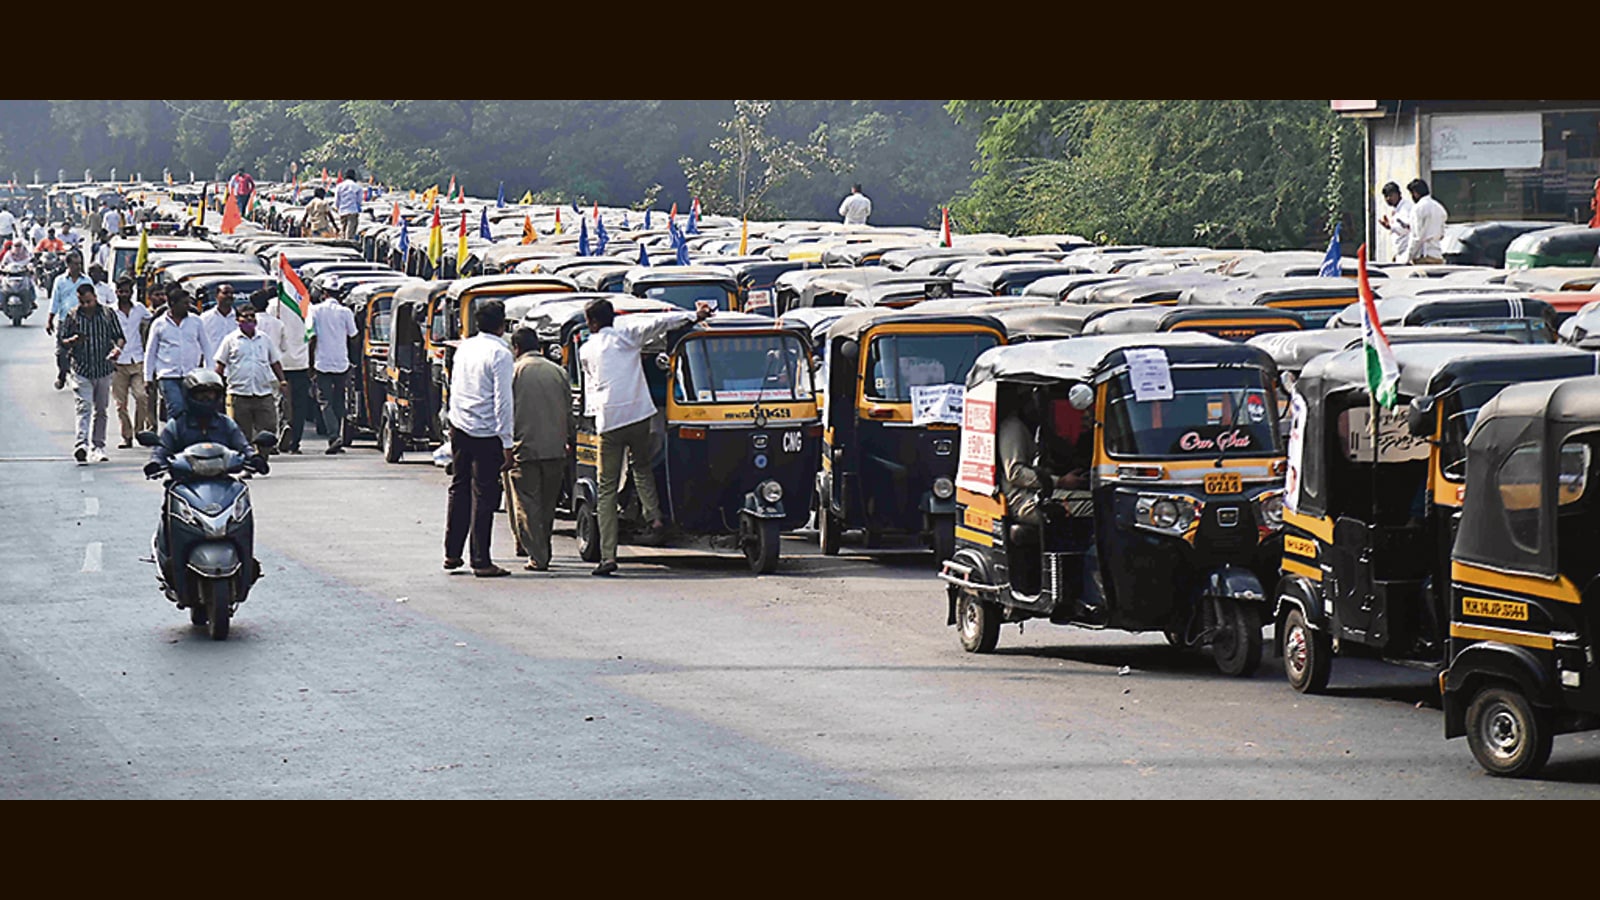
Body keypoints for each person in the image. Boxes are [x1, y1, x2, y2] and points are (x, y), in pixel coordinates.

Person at [580, 297, 711, 576]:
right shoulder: (626, 336)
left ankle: (607, 556)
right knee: (641, 467)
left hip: (608, 422)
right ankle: (654, 517)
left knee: (606, 488)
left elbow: (591, 389)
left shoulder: (586, 349)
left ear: (591, 322)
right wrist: (694, 315)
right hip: (639, 416)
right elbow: (660, 323)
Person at [443, 299, 515, 578]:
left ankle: (452, 552)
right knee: (485, 494)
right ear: (502, 325)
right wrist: (507, 442)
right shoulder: (501, 353)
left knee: (459, 488)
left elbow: (455, 387)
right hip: (486, 432)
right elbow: (503, 401)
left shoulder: (465, 348)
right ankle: (481, 559)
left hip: (460, 425)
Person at [506, 326, 574, 572]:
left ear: (516, 348)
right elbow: (569, 410)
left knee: (526, 504)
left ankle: (538, 556)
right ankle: (542, 548)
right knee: (547, 505)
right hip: (555, 448)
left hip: (523, 449)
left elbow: (504, 411)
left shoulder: (513, 372)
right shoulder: (558, 371)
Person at [58, 282, 125, 463]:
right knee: (84, 408)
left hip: (103, 369)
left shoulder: (107, 314)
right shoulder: (72, 316)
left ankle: (99, 446)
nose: (86, 306)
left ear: (95, 297)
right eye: (82, 302)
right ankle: (81, 445)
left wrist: (117, 350)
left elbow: (119, 336)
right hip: (82, 370)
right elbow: (62, 341)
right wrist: (72, 340)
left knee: (101, 410)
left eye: (88, 301)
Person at [214, 302, 287, 449]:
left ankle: (261, 458)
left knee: (268, 429)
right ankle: (246, 466)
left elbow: (274, 362)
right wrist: (216, 387)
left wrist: (282, 380)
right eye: (245, 317)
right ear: (237, 320)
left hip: (263, 393)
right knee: (241, 434)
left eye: (252, 317)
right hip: (239, 394)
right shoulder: (230, 340)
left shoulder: (264, 339)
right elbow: (220, 364)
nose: (250, 320)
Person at [144, 287, 214, 420]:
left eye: (189, 303)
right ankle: (174, 437)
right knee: (176, 408)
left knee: (192, 409)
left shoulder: (196, 321)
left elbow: (206, 347)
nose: (188, 306)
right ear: (172, 304)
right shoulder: (159, 324)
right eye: (185, 303)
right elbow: (151, 351)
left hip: (192, 374)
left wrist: (210, 371)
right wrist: (147, 377)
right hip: (167, 375)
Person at [307, 288, 358, 453]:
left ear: (324, 294)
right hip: (341, 362)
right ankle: (336, 436)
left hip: (322, 362)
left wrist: (310, 362)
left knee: (325, 401)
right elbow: (354, 335)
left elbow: (311, 337)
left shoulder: (315, 310)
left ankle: (334, 436)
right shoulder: (345, 312)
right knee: (339, 400)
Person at [266, 286, 313, 454]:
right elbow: (313, 335)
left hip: (279, 363)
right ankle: (295, 443)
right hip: (301, 362)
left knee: (278, 402)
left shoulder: (273, 306)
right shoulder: (305, 306)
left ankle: (281, 431)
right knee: (299, 406)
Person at [109, 277, 153, 448]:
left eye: (127, 291)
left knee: (142, 396)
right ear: (116, 292)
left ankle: (139, 431)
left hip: (137, 360)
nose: (124, 294)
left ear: (132, 292)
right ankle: (126, 436)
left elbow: (152, 321)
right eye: (121, 291)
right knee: (121, 405)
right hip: (118, 363)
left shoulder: (140, 309)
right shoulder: (110, 311)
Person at [47, 252, 92, 388]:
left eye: (80, 264)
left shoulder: (86, 281)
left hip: (83, 320)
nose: (78, 267)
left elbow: (93, 301)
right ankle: (62, 374)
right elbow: (55, 301)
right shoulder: (60, 281)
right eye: (75, 264)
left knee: (83, 350)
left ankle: (81, 377)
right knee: (61, 352)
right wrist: (50, 320)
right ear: (68, 265)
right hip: (65, 321)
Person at [1406, 178, 1448, 265]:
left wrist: (1407, 257)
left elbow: (1416, 237)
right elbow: (1442, 235)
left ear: (1415, 193)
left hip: (1423, 256)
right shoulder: (1439, 208)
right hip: (1437, 255)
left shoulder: (1417, 209)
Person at [198, 282, 239, 360]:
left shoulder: (238, 318)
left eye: (232, 293)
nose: (229, 296)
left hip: (234, 366)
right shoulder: (205, 318)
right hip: (212, 365)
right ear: (216, 296)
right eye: (225, 293)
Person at [1377, 182, 1414, 264]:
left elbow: (1407, 228)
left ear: (1398, 194)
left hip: (1406, 254)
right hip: (1400, 253)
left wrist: (1392, 227)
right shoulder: (1396, 210)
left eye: (1390, 195)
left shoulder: (1406, 208)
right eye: (1385, 196)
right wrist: (1390, 227)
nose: (1388, 198)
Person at [334, 169, 363, 241]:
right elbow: (359, 201)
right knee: (350, 232)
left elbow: (337, 200)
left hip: (342, 211)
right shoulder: (357, 187)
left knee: (343, 230)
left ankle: (343, 243)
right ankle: (348, 245)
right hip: (353, 211)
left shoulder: (339, 186)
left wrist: (338, 208)